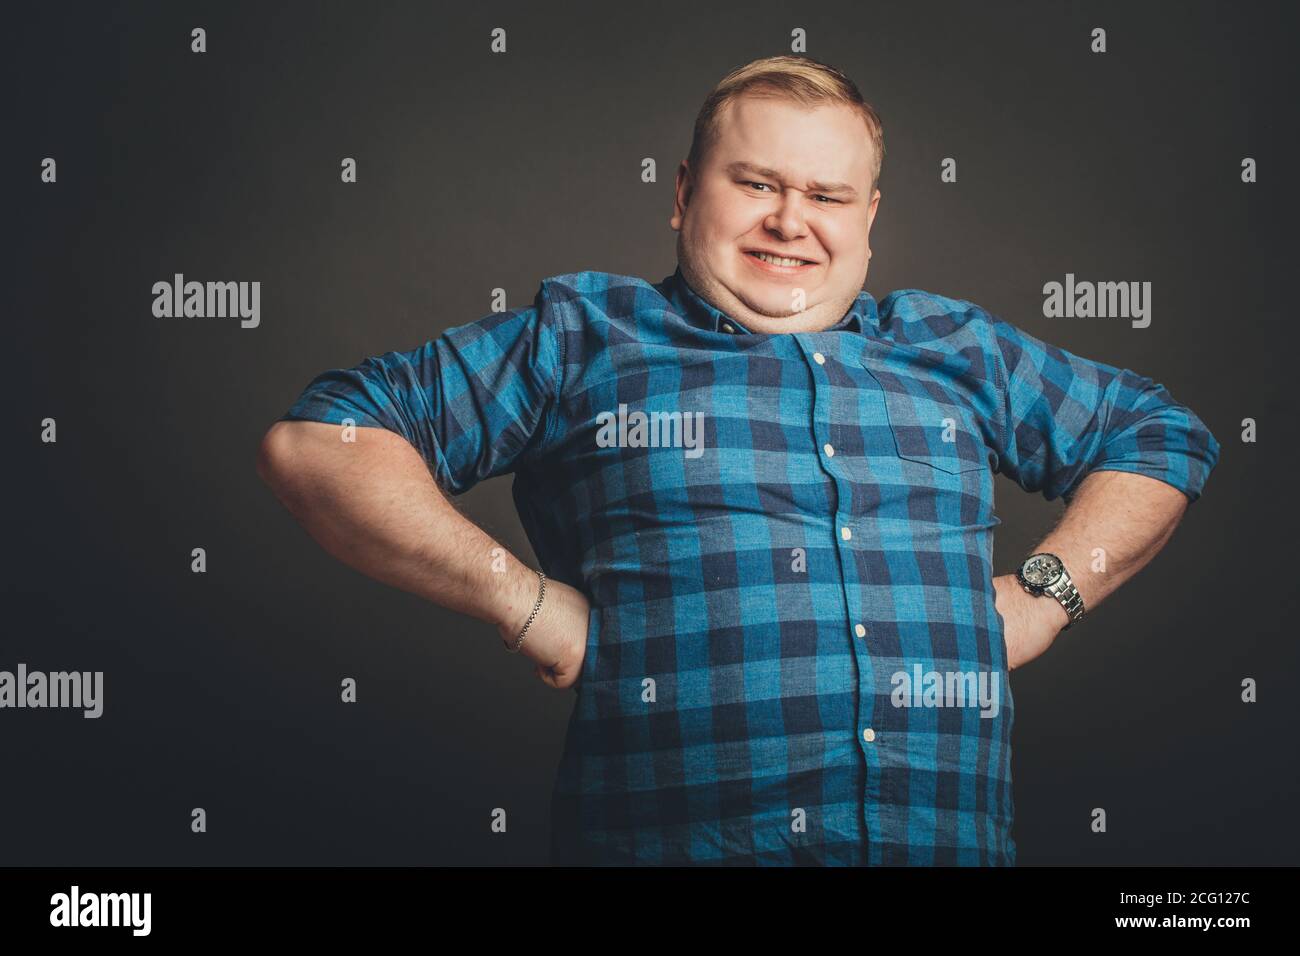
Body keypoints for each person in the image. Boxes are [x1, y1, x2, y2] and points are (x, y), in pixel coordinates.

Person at [256, 54, 1219, 865]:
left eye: (827, 195)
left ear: (869, 215)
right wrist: (521, 601)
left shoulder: (953, 348)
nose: (790, 220)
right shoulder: (585, 337)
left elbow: (1159, 435)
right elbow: (320, 440)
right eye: (756, 183)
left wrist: (1050, 592)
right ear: (683, 193)